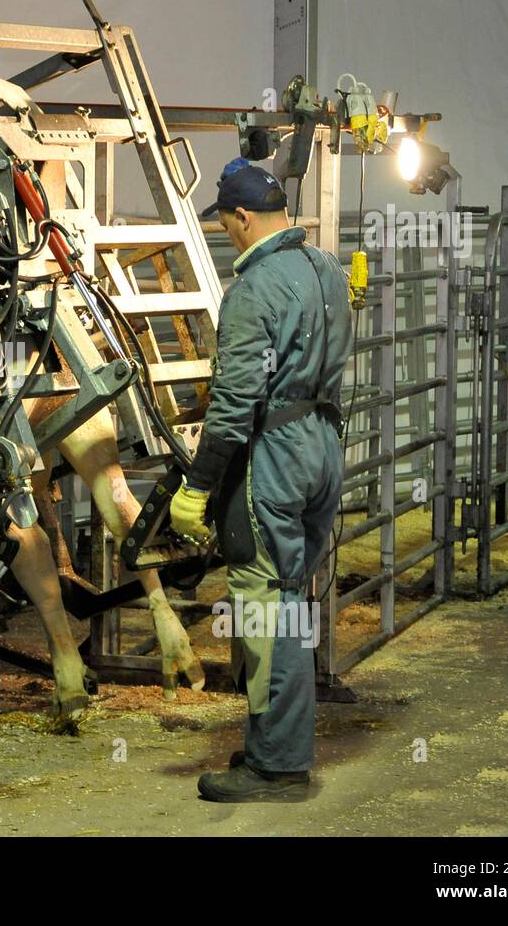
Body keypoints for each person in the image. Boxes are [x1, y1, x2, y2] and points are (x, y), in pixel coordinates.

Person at [170, 158, 352, 802]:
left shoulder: (253, 288)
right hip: (324, 444)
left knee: (266, 607)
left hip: (274, 452)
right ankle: (281, 741)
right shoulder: (328, 268)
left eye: (226, 227)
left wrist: (198, 487)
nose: (228, 238)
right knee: (294, 600)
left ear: (243, 218)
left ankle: (276, 765)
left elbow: (235, 398)